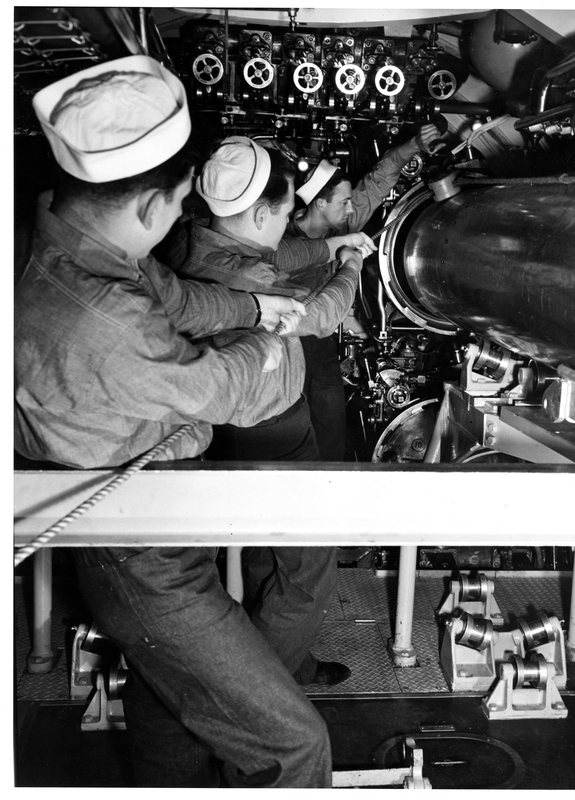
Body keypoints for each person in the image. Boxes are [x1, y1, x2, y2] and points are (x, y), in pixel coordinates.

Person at [14, 55, 334, 788]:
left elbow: (180, 302)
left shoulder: (72, 236)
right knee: (293, 745)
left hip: (146, 513)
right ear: (155, 206)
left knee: (174, 699)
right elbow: (231, 390)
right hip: (143, 558)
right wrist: (280, 340)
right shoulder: (102, 318)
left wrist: (257, 308)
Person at [163, 136, 376, 689]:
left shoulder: (198, 241)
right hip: (274, 433)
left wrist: (331, 246)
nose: (288, 227)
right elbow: (320, 314)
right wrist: (350, 263)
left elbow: (279, 254)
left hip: (236, 430)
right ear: (258, 212)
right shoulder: (250, 280)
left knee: (266, 555)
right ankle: (262, 690)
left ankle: (291, 655)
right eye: (283, 216)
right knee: (308, 568)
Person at [288, 124, 447, 461]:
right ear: (319, 203)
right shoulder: (283, 241)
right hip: (286, 343)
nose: (351, 209)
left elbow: (378, 179)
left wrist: (414, 145)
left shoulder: (341, 223)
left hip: (322, 345)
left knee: (331, 425)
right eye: (344, 201)